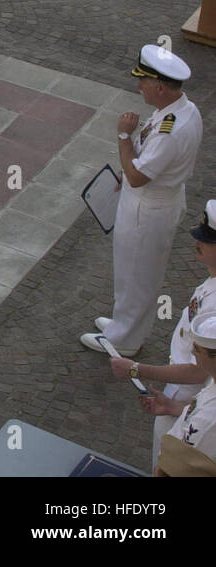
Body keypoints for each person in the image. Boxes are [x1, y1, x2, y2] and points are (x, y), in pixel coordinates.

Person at [81, 45, 203, 356]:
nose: (139, 86)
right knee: (131, 270)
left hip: (147, 208)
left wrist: (123, 136)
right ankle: (124, 324)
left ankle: (124, 341)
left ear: (160, 87)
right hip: (153, 200)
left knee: (137, 274)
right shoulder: (180, 111)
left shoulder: (169, 130)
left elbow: (138, 176)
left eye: (143, 81)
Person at [105, 200, 216, 470]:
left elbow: (199, 371)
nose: (196, 241)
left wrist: (135, 370)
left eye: (208, 240)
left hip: (188, 390)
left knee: (166, 459)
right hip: (185, 399)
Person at [142, 310, 216, 476]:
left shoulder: (209, 420)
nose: (192, 353)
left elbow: (178, 468)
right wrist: (173, 407)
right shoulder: (213, 380)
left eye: (197, 349)